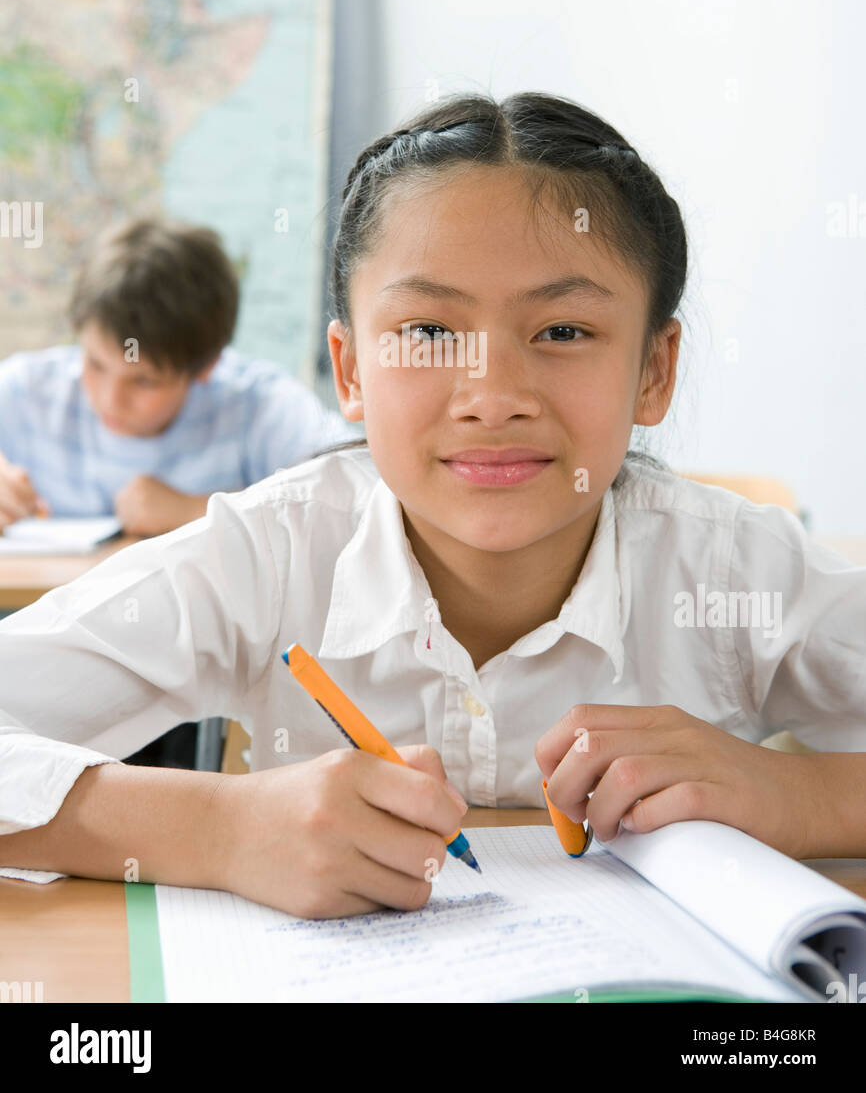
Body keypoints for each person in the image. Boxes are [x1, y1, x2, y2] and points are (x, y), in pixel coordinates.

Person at [0, 92, 864, 920]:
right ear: (349, 373)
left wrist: (792, 793)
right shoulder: (266, 554)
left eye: (562, 331)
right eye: (427, 332)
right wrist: (218, 830)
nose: (492, 396)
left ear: (653, 370)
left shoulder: (732, 572)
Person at [0, 216, 353, 535]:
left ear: (206, 366)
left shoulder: (258, 405)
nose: (109, 399)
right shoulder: (25, 389)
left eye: (143, 381)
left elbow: (356, 490)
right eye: (94, 363)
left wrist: (197, 511)